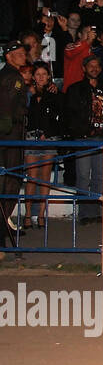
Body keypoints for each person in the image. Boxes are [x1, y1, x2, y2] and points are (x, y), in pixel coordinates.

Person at [64, 55, 103, 224]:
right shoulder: (75, 89)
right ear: (84, 68)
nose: (94, 69)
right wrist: (80, 131)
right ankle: (84, 213)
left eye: (97, 66)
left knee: (100, 176)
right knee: (83, 176)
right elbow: (70, 114)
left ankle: (97, 212)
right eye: (91, 66)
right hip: (82, 138)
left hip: (102, 137)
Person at [22, 62, 61, 229]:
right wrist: (29, 96)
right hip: (31, 138)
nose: (41, 77)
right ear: (33, 77)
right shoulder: (26, 94)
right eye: (37, 74)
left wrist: (49, 132)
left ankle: (41, 215)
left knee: (45, 178)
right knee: (31, 177)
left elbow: (59, 116)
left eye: (44, 74)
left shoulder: (55, 94)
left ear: (49, 76)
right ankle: (28, 214)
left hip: (49, 138)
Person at [0, 41, 30, 245]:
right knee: (11, 179)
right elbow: (7, 110)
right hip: (10, 136)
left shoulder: (7, 75)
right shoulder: (13, 78)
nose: (23, 56)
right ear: (8, 56)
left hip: (9, 134)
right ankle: (2, 226)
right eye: (18, 53)